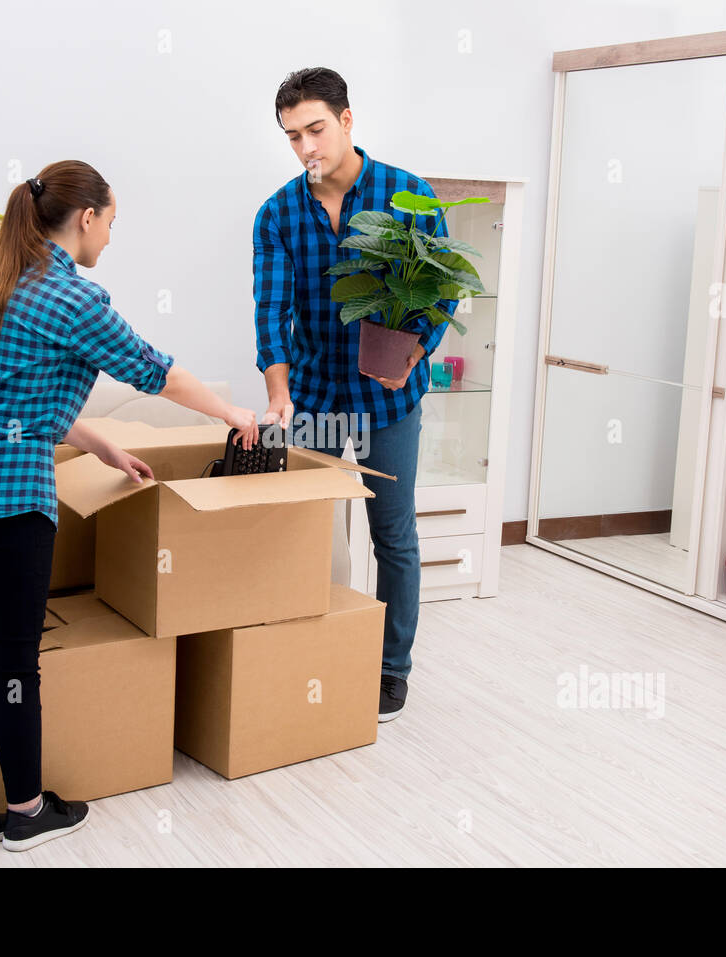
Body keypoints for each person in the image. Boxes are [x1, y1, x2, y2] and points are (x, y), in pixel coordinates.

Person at [0, 160, 259, 853]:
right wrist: (231, 409)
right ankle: (26, 811)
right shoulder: (73, 299)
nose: (111, 239)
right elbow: (157, 370)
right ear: (88, 218)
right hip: (8, 500)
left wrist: (97, 442)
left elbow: (12, 401)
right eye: (113, 222)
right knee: (14, 660)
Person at [252, 68, 456, 723]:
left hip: (387, 400)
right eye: (292, 137)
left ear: (346, 120)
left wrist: (414, 351)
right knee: (299, 531)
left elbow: (442, 287)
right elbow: (271, 310)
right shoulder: (279, 213)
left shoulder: (407, 193)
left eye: (315, 129)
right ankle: (307, 650)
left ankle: (390, 670)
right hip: (312, 393)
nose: (307, 146)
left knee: (390, 534)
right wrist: (278, 392)